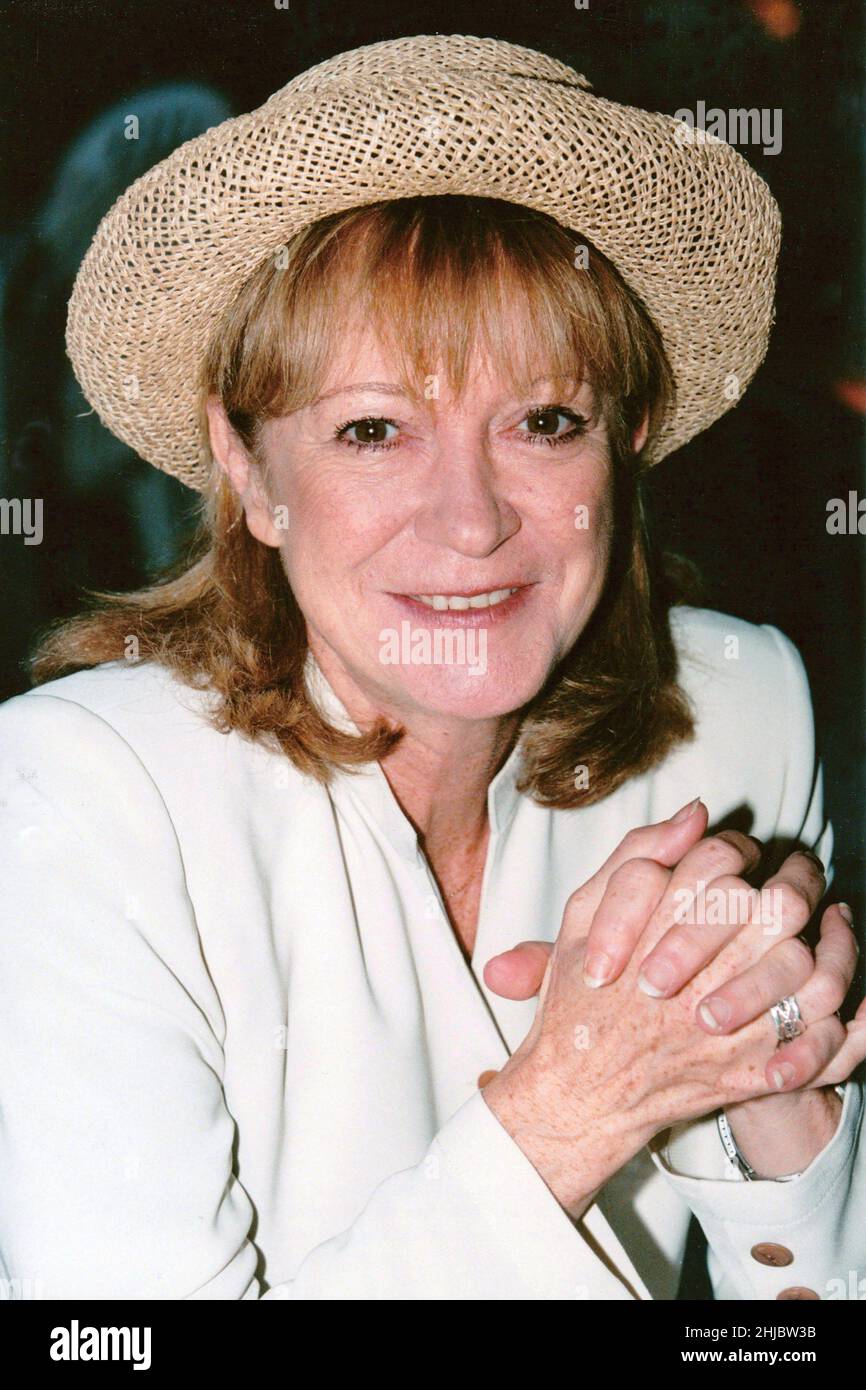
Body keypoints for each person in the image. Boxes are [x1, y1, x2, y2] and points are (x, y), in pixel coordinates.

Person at [1, 34, 863, 1301]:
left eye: (543, 422)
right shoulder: (75, 799)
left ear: (622, 443)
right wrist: (571, 1105)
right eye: (371, 429)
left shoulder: (737, 721)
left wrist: (775, 1100)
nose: (471, 521)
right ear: (245, 469)